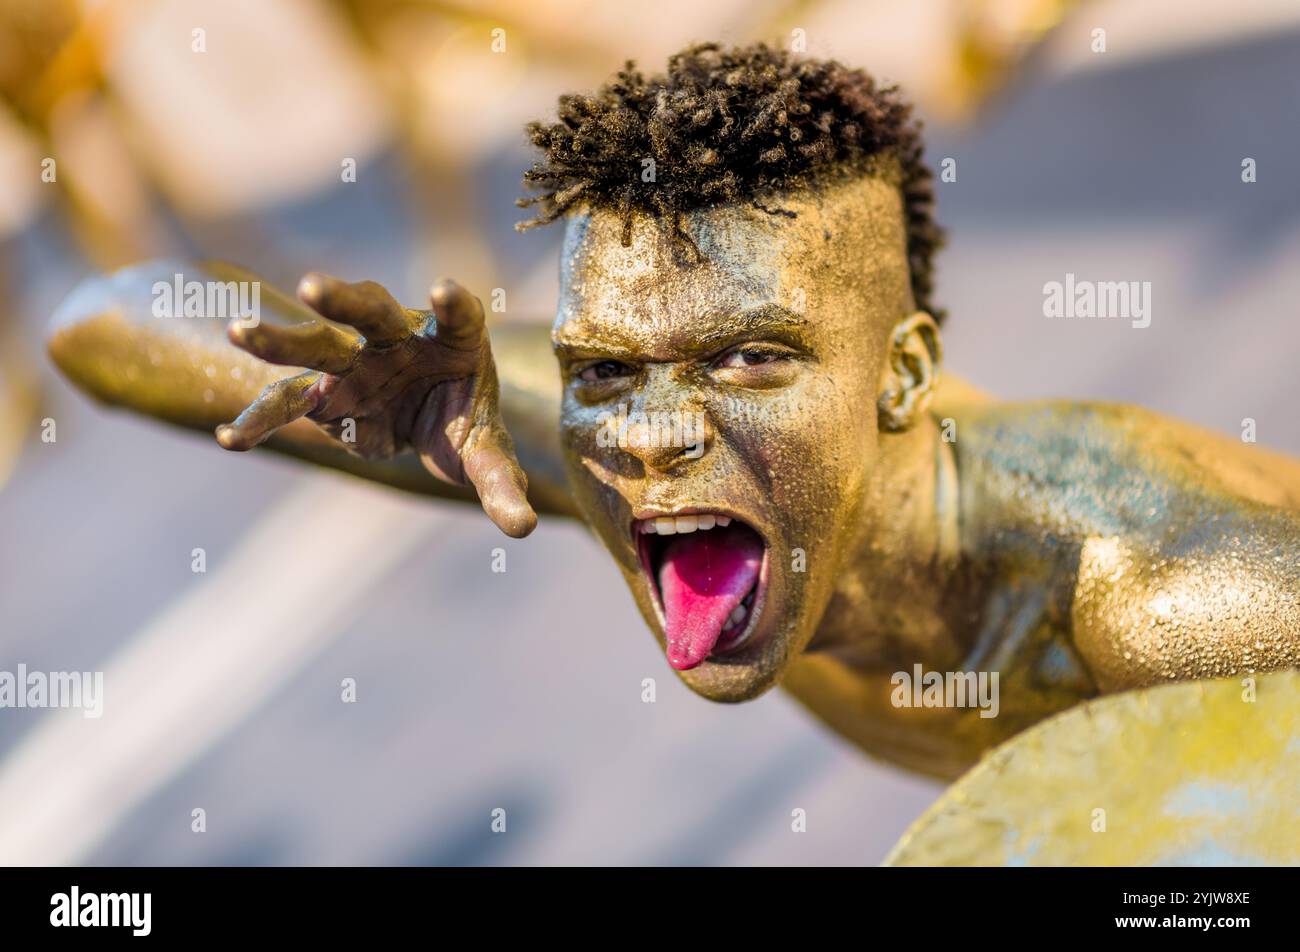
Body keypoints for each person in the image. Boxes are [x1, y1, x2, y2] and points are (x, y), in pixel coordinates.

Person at [48, 43, 1300, 779]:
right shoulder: (602, 438)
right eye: (603, 370)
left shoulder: (1164, 606)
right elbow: (103, 320)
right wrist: (332, 382)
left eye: (751, 358)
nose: (650, 435)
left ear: (902, 374)